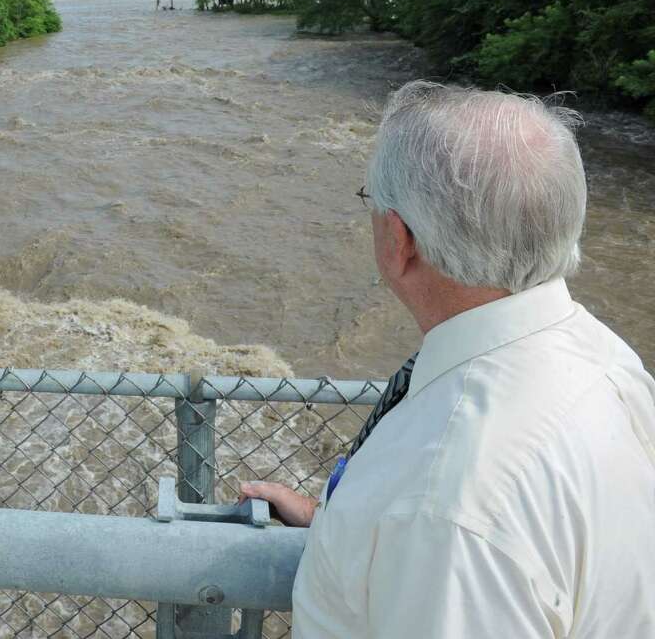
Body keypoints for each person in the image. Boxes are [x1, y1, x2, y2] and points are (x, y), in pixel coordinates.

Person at [243, 82, 655, 637]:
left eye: (370, 200)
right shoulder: (603, 357)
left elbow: (462, 534)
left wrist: (405, 528)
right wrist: (345, 527)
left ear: (399, 239)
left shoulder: (445, 505)